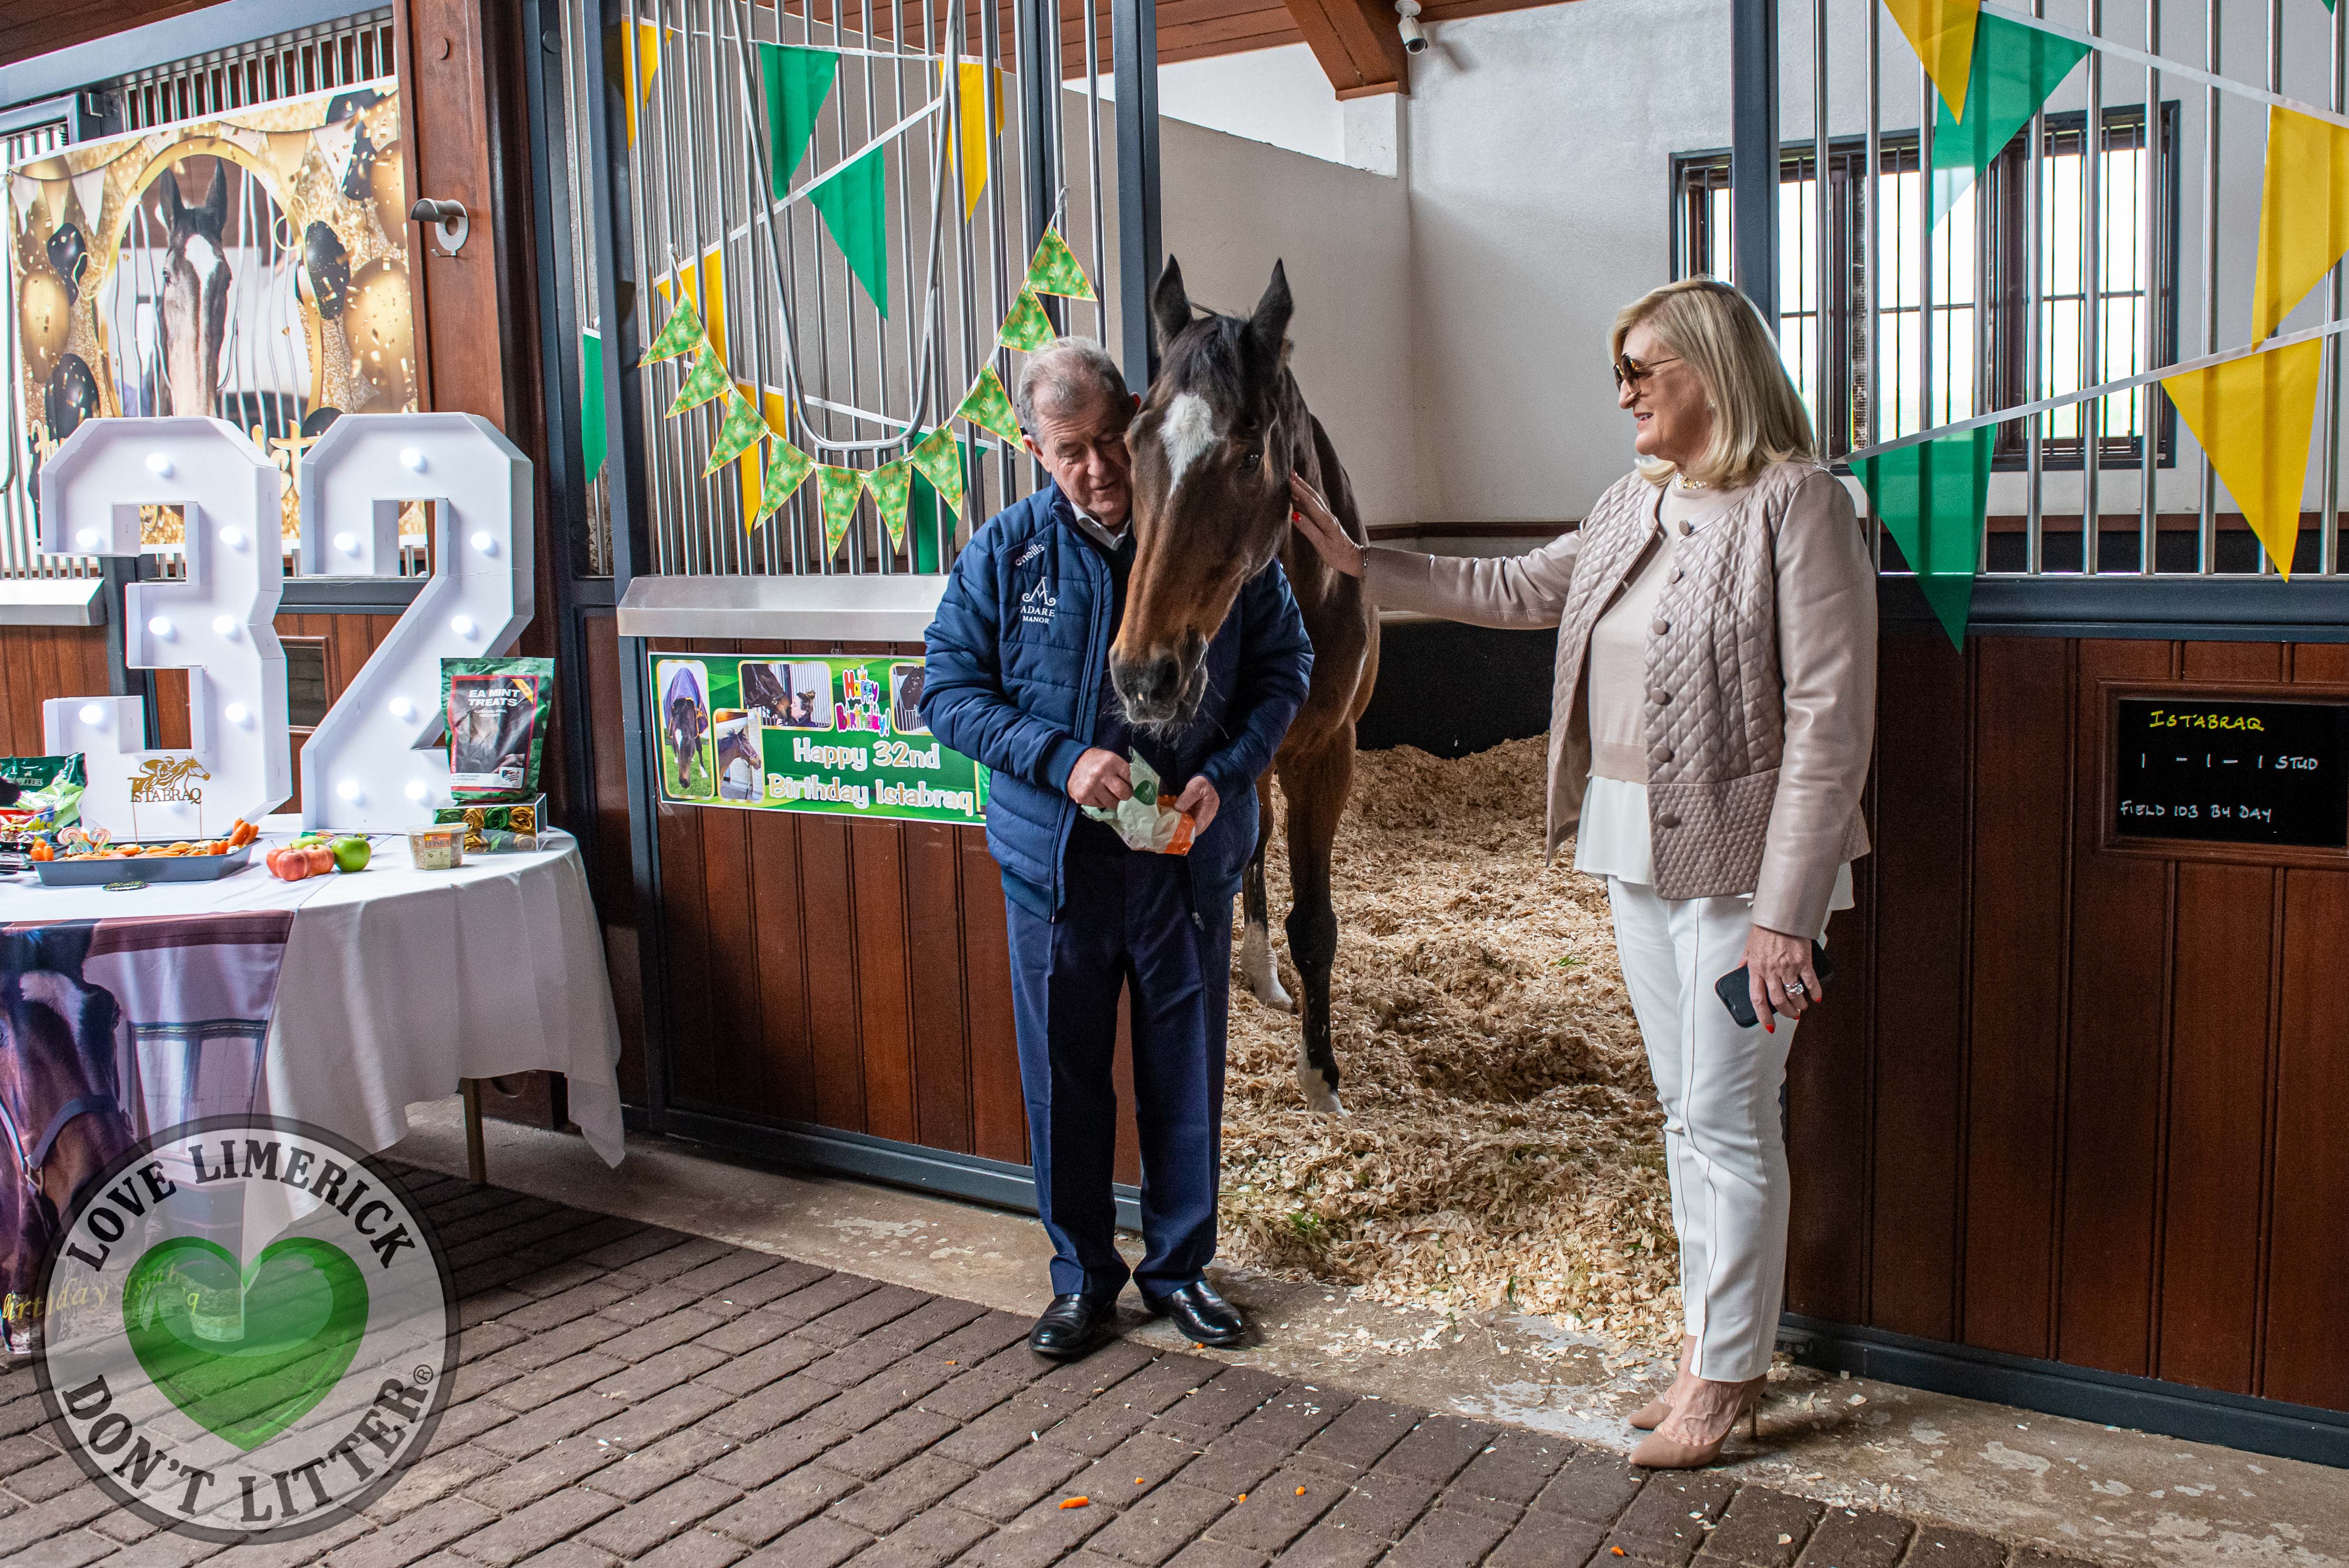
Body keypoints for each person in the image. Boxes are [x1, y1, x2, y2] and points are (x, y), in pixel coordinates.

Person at [1287, 277, 1875, 1467]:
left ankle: (1723, 1383)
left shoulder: (1799, 505)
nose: (1622, 393)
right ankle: (1706, 1356)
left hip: (1744, 872)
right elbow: (1511, 589)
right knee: (1680, 1114)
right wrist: (1361, 561)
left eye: (1642, 369)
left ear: (1713, 370)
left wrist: (1786, 916)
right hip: (1630, 842)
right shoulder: (1627, 504)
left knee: (1727, 1116)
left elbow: (1828, 719)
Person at [923, 337, 1315, 1361]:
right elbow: (947, 694)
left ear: (1136, 418)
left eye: (1108, 441)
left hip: (1184, 861)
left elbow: (1288, 669)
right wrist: (1058, 761)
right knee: (1065, 1082)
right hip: (1057, 872)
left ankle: (1180, 1270)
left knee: (1184, 1077)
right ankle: (1082, 1278)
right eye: (1068, 452)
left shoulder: (1202, 532)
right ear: (1031, 448)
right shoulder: (1003, 555)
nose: (1095, 470)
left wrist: (1225, 775)